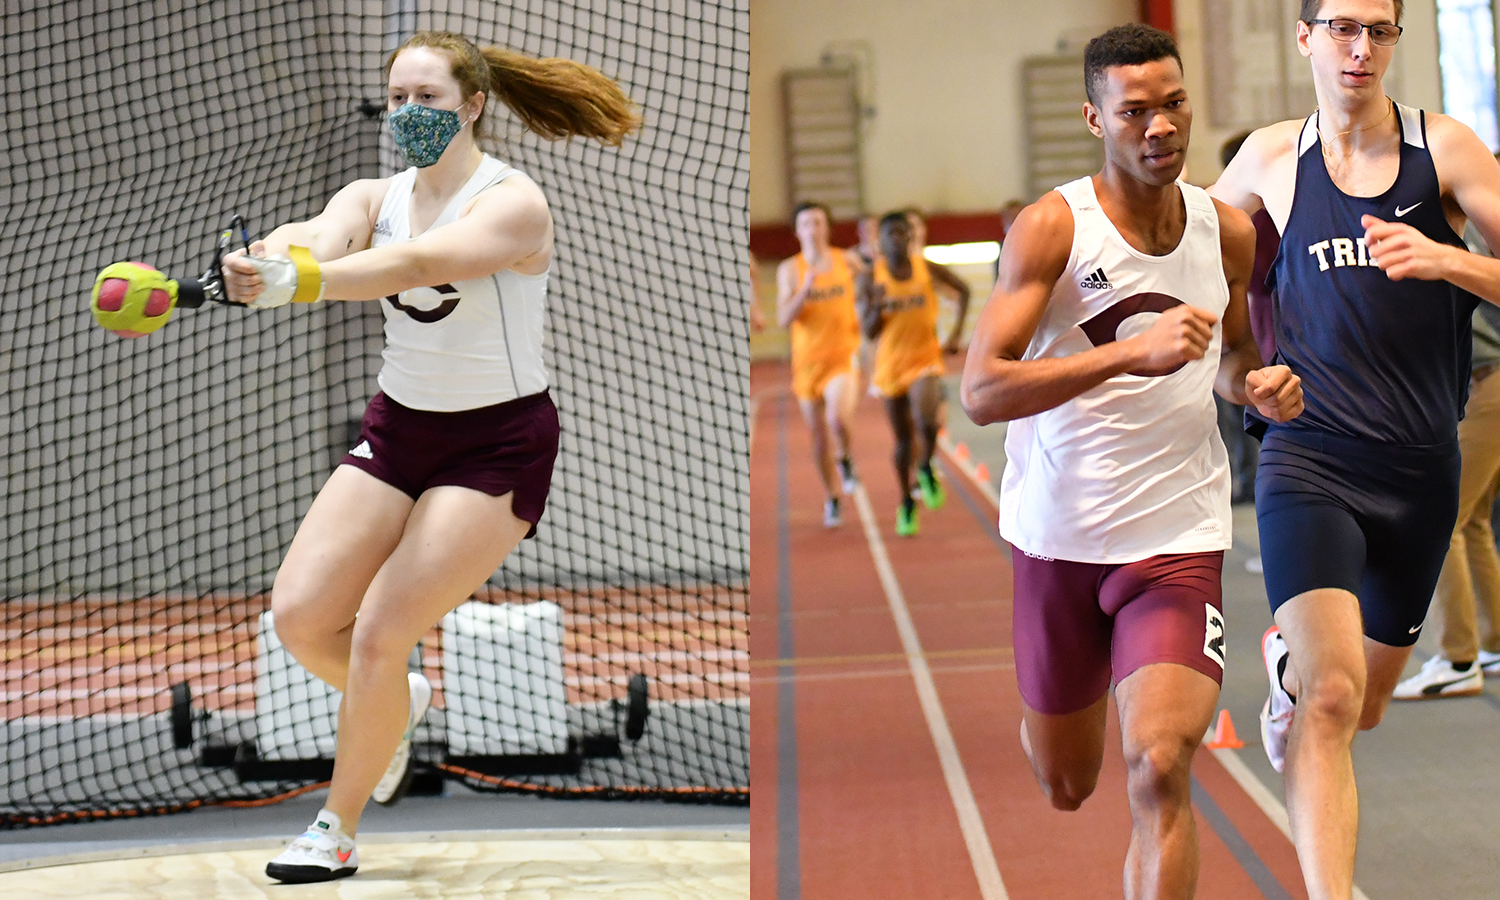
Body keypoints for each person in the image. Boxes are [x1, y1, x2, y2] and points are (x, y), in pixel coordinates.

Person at [219, 30, 640, 883]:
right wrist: (268, 258)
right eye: (398, 98)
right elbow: (323, 234)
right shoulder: (373, 194)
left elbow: (413, 263)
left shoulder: (513, 204)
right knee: (300, 616)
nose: (409, 113)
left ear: (473, 105)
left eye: (429, 99)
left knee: (380, 631)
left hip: (496, 445)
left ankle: (334, 830)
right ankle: (398, 701)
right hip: (399, 429)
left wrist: (303, 284)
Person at [962, 24, 1302, 899]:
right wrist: (1126, 354)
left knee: (1158, 766)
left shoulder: (1227, 232)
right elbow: (983, 392)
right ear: (1095, 118)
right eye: (1135, 111)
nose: (1161, 127)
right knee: (1067, 783)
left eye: (1175, 104)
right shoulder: (1052, 229)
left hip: (1177, 535)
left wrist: (1254, 384)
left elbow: (1230, 354)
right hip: (1060, 539)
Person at [1210, 1, 1500, 896]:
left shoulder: (1445, 150)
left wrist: (1451, 261)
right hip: (1310, 459)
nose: (1360, 47)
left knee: (1364, 705)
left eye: (1379, 29)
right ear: (1305, 37)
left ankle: (1289, 665)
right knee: (1331, 702)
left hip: (1421, 470)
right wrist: (1243, 376)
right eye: (1341, 27)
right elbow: (1188, 276)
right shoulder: (1270, 158)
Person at [1394, 215, 1500, 699]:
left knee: (1441, 522)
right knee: (1472, 521)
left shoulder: (1455, 234)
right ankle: (1492, 643)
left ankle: (1457, 657)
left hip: (1486, 383)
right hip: (1482, 383)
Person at [857, 212, 971, 536]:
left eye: (901, 232)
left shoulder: (927, 268)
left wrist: (956, 334)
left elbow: (963, 291)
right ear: (879, 241)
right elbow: (868, 332)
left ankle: (925, 467)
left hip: (925, 359)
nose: (896, 238)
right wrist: (876, 305)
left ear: (911, 236)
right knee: (903, 441)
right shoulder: (871, 277)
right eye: (890, 233)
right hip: (891, 366)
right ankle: (906, 501)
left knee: (928, 420)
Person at [776, 201, 863, 526]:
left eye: (817, 222)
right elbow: (783, 318)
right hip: (807, 365)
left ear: (827, 227)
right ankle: (832, 495)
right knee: (818, 438)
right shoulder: (790, 270)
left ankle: (845, 457)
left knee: (837, 420)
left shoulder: (846, 261)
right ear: (797, 231)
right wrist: (805, 289)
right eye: (806, 224)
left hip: (842, 357)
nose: (812, 229)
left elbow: (872, 282)